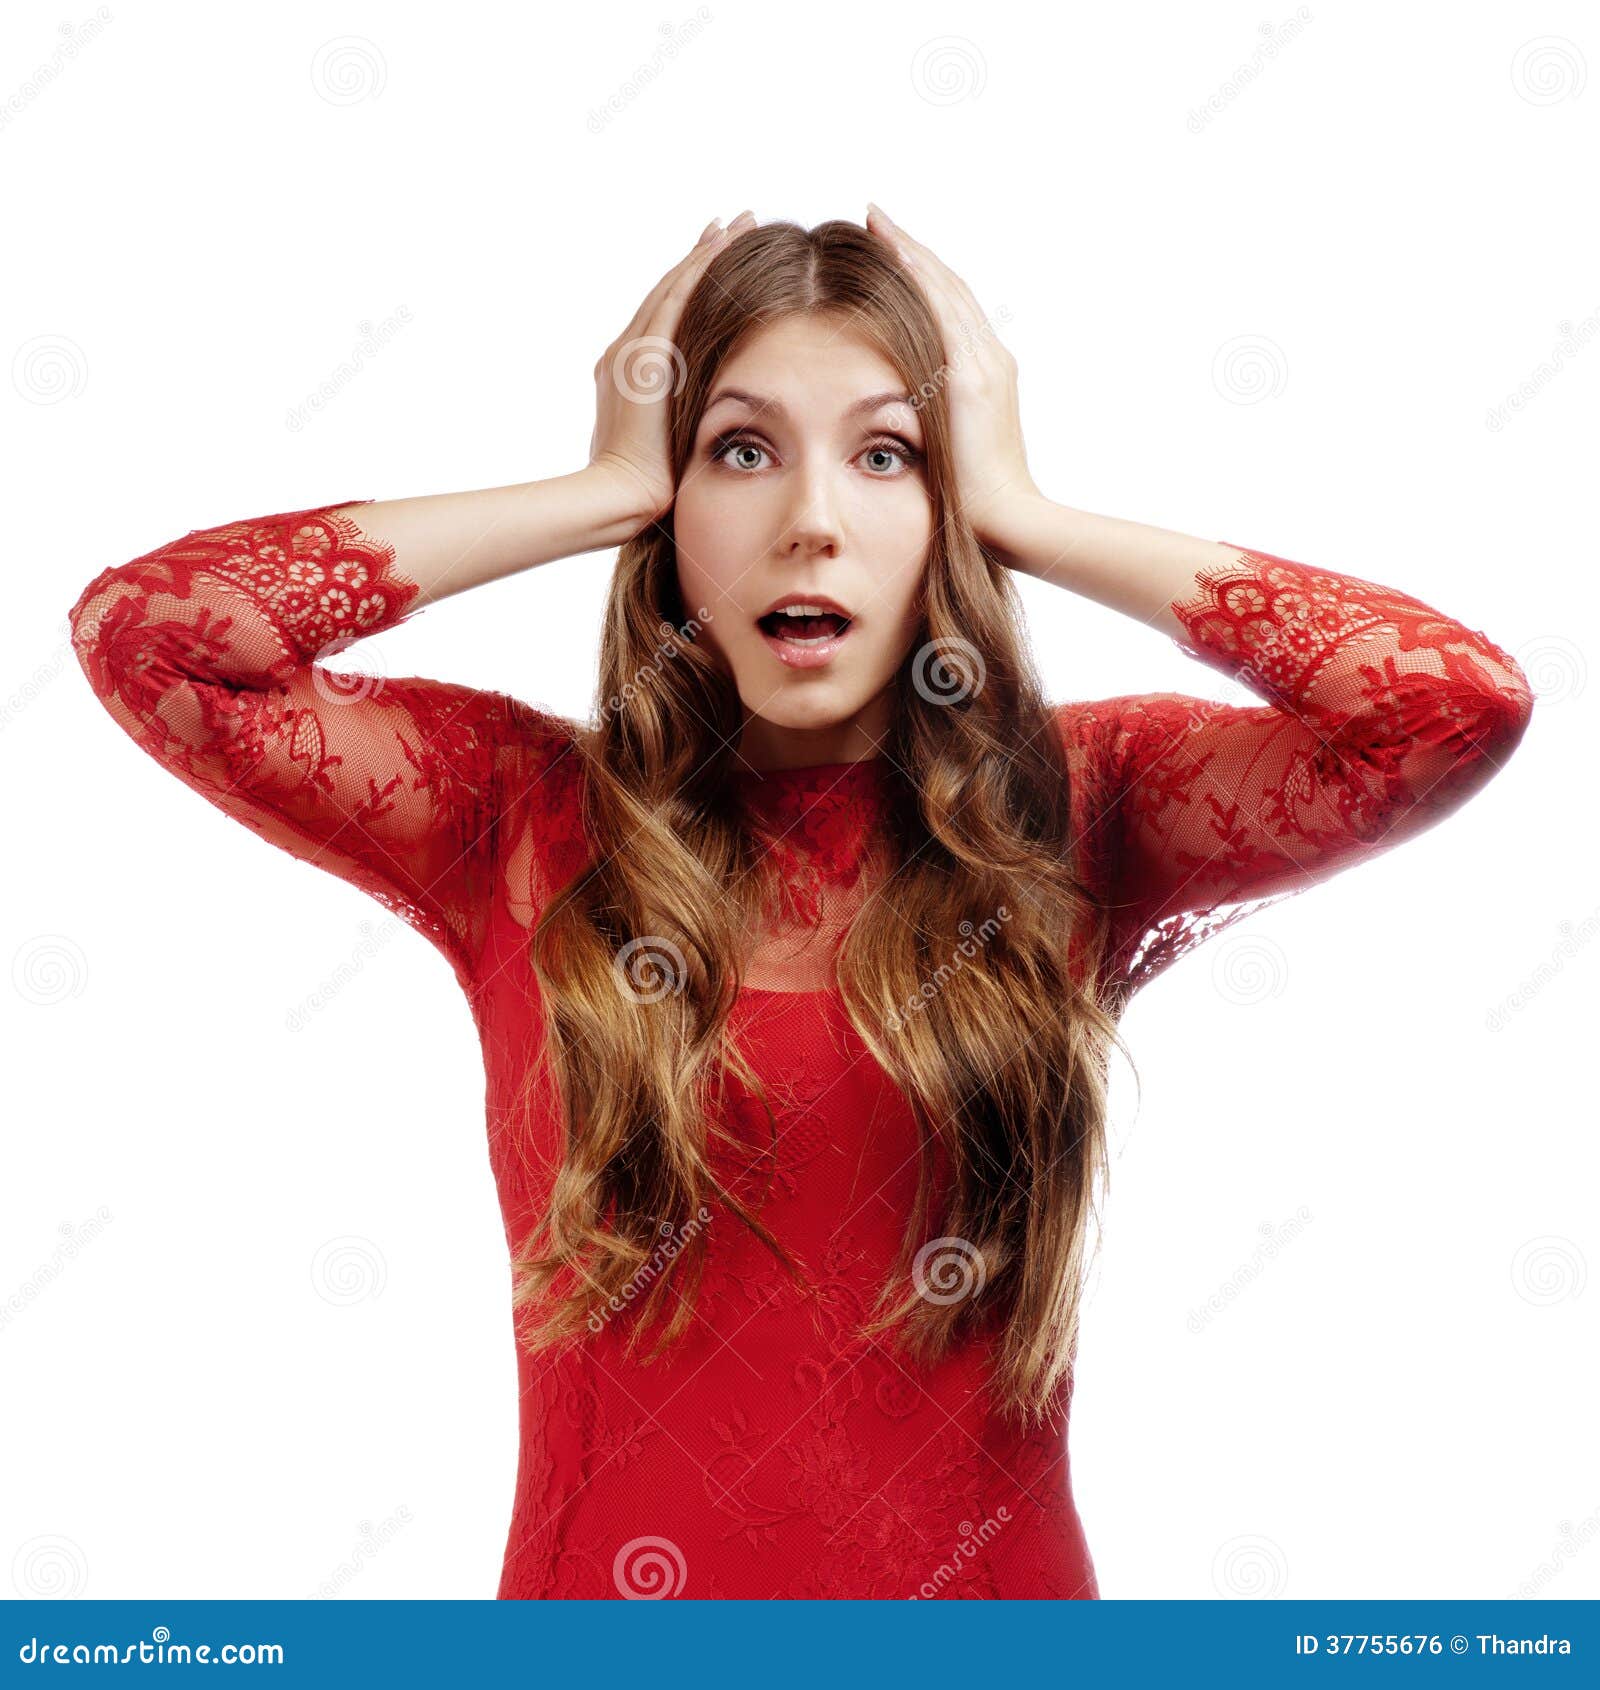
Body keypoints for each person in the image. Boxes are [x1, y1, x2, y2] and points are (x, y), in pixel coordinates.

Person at [66, 206, 1534, 1599]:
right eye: (741, 450)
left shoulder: (1081, 809)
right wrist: (594, 491)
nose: (813, 520)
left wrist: (1024, 504)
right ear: (675, 503)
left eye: (889, 457)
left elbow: (1447, 704)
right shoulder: (513, 813)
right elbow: (152, 639)